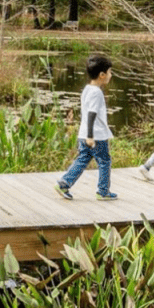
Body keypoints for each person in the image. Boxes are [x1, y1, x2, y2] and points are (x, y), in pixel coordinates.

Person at [55, 53, 117, 200]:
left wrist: (86, 134)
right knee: (104, 161)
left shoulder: (88, 89)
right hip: (96, 135)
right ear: (102, 75)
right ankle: (103, 191)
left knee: (82, 159)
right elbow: (91, 114)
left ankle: (64, 183)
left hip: (83, 133)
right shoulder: (97, 93)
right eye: (109, 72)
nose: (110, 75)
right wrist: (91, 136)